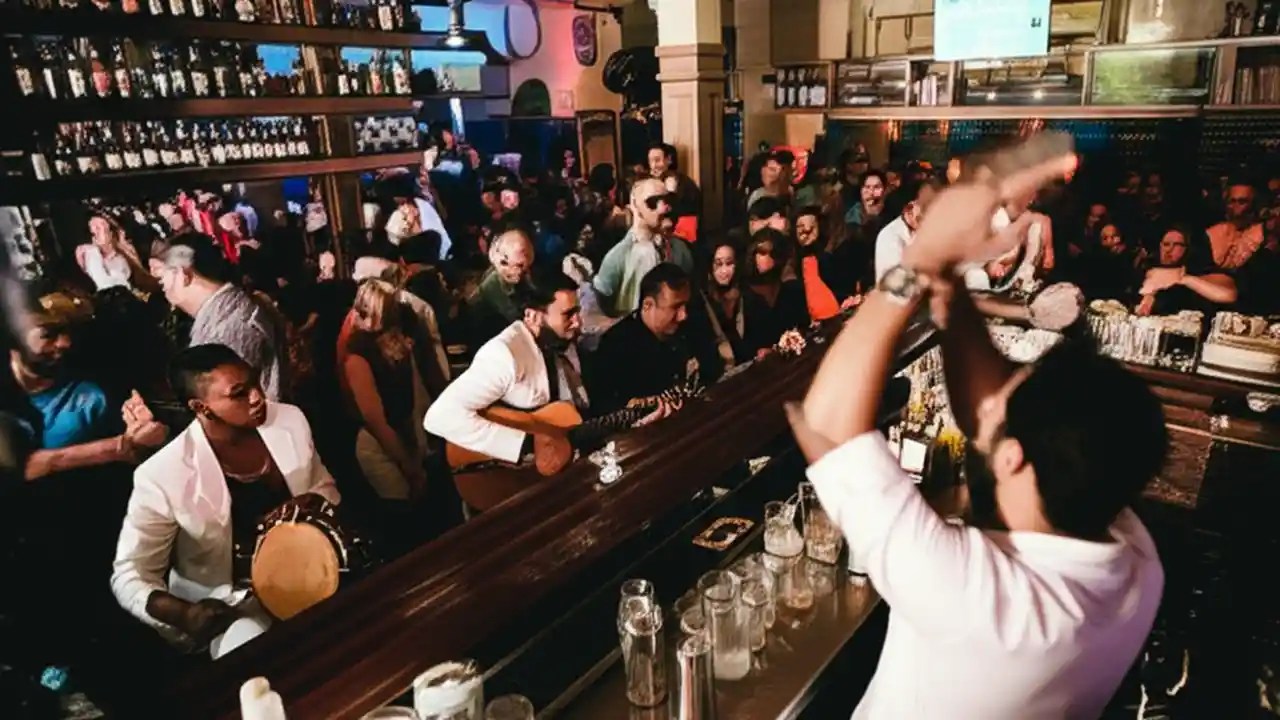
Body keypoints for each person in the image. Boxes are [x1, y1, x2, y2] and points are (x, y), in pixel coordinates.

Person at [787, 148, 1166, 719]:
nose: (992, 394)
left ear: (1013, 458)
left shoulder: (983, 604)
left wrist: (917, 260)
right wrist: (950, 288)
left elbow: (826, 422)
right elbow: (991, 404)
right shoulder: (1132, 556)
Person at [112, 344, 339, 659]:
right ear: (201, 407)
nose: (258, 396)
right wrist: (183, 615)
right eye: (239, 393)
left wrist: (312, 500)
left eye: (255, 382)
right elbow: (129, 573)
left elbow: (325, 488)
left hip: (312, 571)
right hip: (234, 605)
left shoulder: (287, 419)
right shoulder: (163, 474)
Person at [157, 238, 289, 401]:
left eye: (163, 272)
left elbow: (227, 406)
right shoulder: (230, 311)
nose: (161, 281)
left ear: (183, 273)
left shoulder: (226, 330)